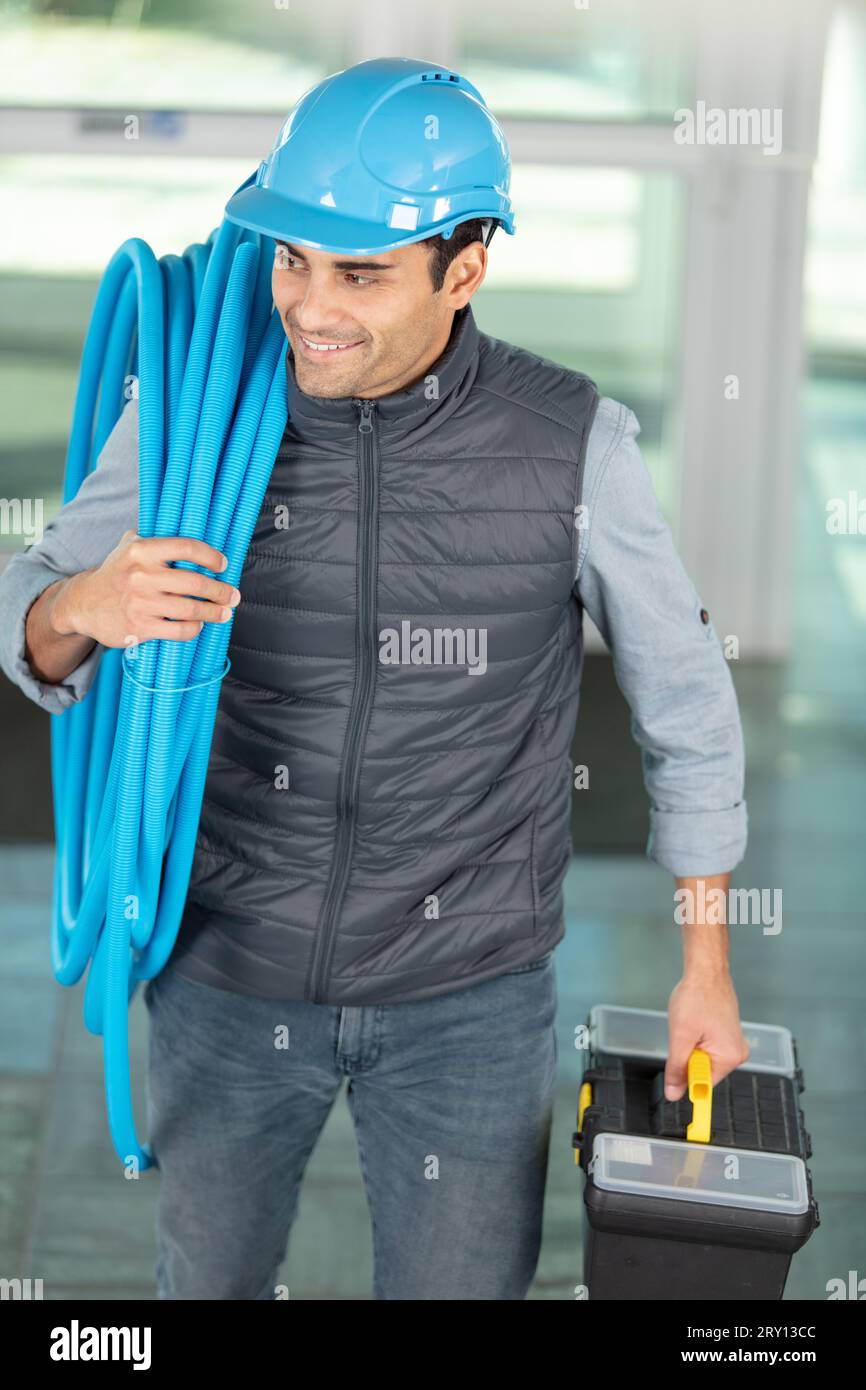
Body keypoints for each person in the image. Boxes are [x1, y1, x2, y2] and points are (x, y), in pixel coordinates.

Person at [0, 57, 748, 1300]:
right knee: (208, 1283)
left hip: (468, 999)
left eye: (358, 274)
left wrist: (706, 971)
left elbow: (686, 710)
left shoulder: (573, 446)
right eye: (293, 259)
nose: (308, 306)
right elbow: (30, 613)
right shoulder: (198, 406)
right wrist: (81, 604)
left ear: (465, 269)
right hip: (228, 970)